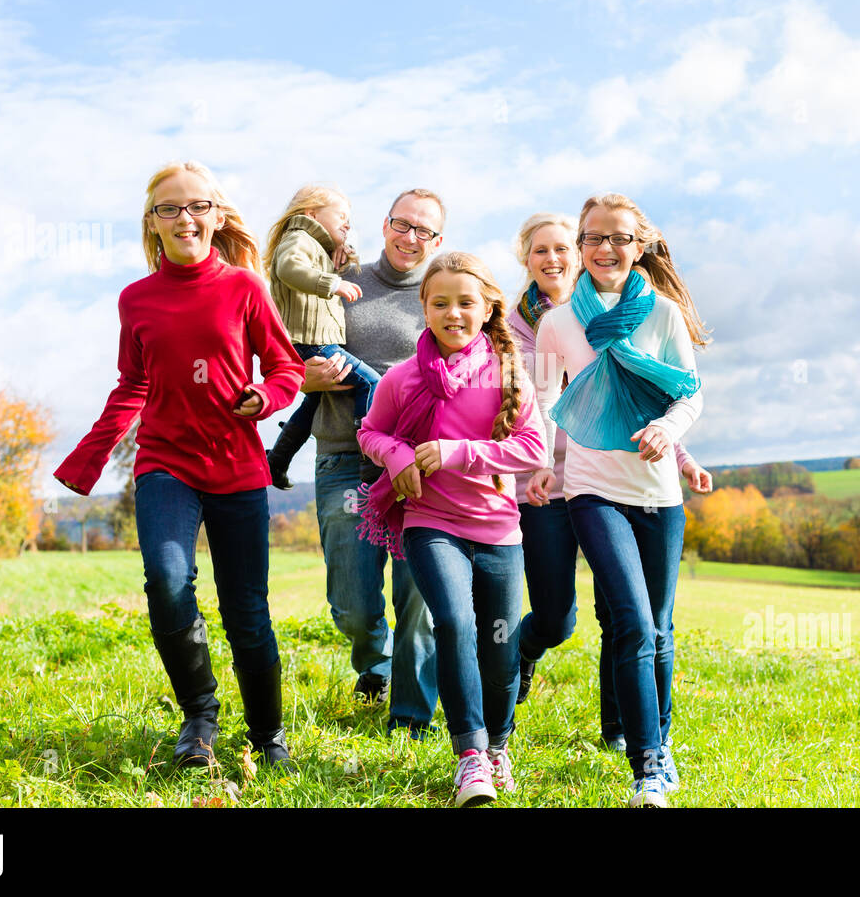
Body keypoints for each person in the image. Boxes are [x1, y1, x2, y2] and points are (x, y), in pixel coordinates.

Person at [54, 160, 306, 769]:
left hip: (236, 464)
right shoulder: (135, 299)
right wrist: (86, 461)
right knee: (168, 584)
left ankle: (267, 734)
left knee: (246, 608)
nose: (185, 218)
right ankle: (199, 716)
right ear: (153, 222)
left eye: (197, 206)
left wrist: (263, 398)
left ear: (217, 217)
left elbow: (286, 368)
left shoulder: (245, 288)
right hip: (165, 462)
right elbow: (132, 385)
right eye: (171, 208)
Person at [507, 214, 712, 752]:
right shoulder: (520, 325)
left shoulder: (651, 313)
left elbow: (653, 396)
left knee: (626, 616)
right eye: (541, 251)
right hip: (552, 481)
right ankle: (525, 653)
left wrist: (678, 448)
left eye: (561, 249)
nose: (553, 260)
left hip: (627, 479)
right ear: (527, 261)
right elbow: (540, 398)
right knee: (556, 616)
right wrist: (538, 462)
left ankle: (625, 731)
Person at [357, 252, 546, 806]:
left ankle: (498, 746)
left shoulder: (509, 375)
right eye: (440, 303)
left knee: (501, 643)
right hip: (430, 521)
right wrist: (397, 458)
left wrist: (458, 452)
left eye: (466, 302)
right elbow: (371, 432)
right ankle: (470, 757)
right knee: (454, 623)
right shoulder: (402, 377)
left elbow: (532, 448)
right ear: (424, 307)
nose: (453, 313)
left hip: (497, 529)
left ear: (488, 307)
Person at [303, 189, 445, 734]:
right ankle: (374, 663)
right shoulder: (342, 284)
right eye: (402, 224)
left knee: (419, 595)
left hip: (419, 466)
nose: (411, 238)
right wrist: (301, 376)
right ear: (384, 225)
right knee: (354, 602)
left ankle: (409, 714)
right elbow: (293, 350)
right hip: (344, 454)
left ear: (438, 241)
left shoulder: (441, 297)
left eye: (424, 231)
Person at [262, 185, 381, 490]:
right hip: (310, 341)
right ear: (312, 213)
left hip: (311, 341)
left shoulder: (317, 248)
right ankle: (370, 460)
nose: (347, 223)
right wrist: (333, 282)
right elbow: (290, 268)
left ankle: (277, 460)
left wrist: (340, 260)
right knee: (371, 382)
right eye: (341, 215)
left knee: (313, 402)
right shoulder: (297, 238)